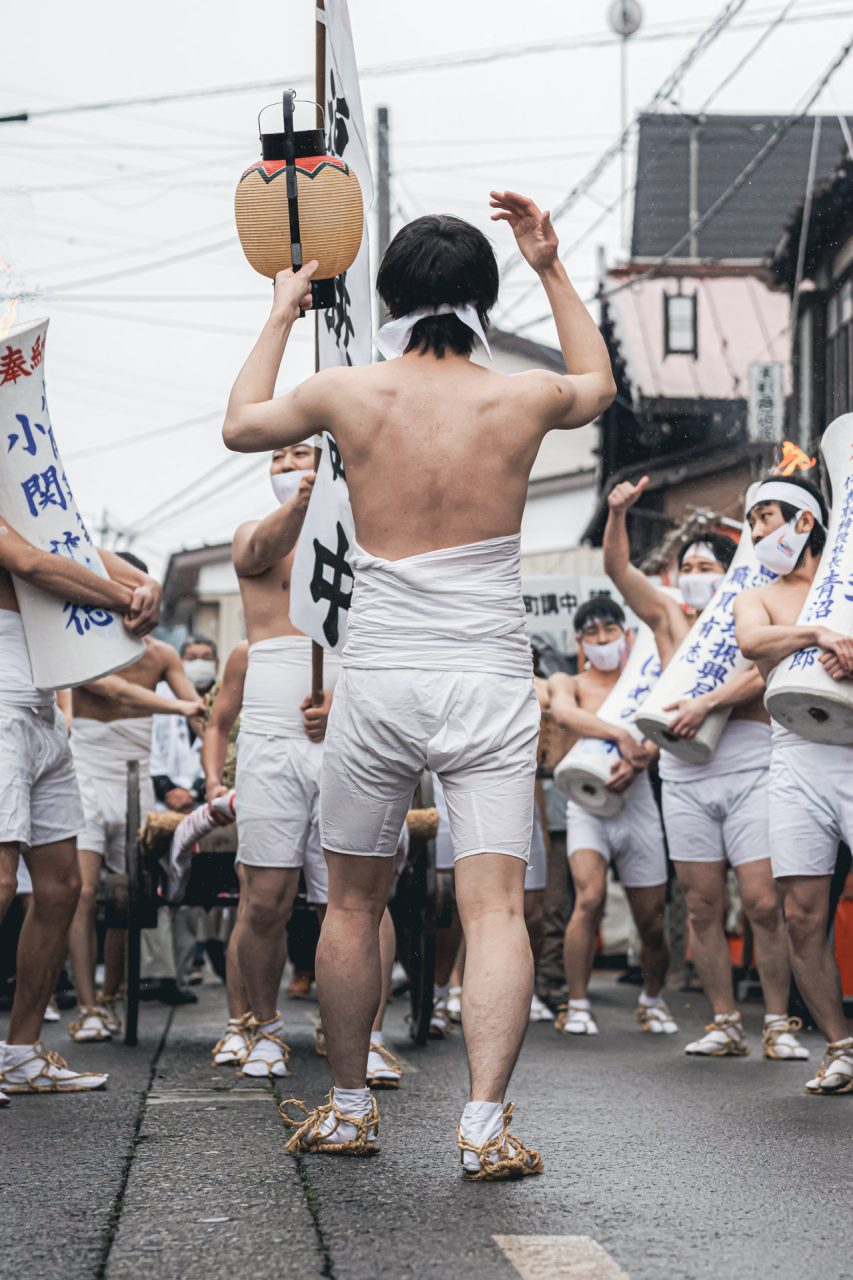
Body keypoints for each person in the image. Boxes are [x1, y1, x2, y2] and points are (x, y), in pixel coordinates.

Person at [223, 191, 615, 1176]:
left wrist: (283, 309)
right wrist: (549, 263)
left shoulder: (347, 393)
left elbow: (239, 425)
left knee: (353, 904)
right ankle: (481, 1125)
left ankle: (350, 1108)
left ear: (389, 297)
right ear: (482, 299)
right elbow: (599, 382)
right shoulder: (523, 397)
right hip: (487, 676)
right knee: (493, 907)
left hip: (379, 676)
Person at [604, 479, 808, 1063]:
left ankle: (777, 1022)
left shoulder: (756, 607)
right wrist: (617, 514)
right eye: (686, 567)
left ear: (730, 574)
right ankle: (724, 1020)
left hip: (748, 763)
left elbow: (765, 674)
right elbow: (618, 570)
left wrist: (709, 703)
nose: (693, 575)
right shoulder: (669, 619)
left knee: (763, 902)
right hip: (685, 775)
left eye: (705, 566)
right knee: (701, 905)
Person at [0, 519, 159, 1098]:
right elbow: (34, 563)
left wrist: (146, 584)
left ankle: (20, 1053)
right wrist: (124, 596)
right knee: (1, 880)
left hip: (43, 706)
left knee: (62, 888)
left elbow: (72, 546)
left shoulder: (27, 495)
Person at [207, 445, 342, 1080]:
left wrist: (342, 701)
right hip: (268, 731)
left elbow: (383, 635)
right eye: (280, 457)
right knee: (265, 898)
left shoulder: (361, 536)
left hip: (346, 723)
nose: (290, 463)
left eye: (304, 453)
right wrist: (302, 505)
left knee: (353, 899)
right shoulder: (251, 534)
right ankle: (262, 1027)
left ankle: (360, 1034)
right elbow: (259, 550)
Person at [734, 472, 853, 1094]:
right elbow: (751, 641)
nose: (757, 533)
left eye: (766, 518)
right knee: (802, 914)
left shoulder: (847, 582)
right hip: (795, 755)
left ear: (805, 521)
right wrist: (816, 634)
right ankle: (841, 1046)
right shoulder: (757, 598)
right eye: (752, 523)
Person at [66, 560, 204, 1043]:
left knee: (128, 892)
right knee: (83, 892)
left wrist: (217, 737)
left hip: (136, 779)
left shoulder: (163, 653)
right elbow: (113, 689)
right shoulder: (79, 640)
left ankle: (110, 997)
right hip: (86, 772)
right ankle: (87, 1005)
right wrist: (182, 706)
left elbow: (198, 712)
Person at [547, 596, 675, 1037]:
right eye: (592, 633)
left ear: (626, 635)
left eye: (610, 630)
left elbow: (663, 727)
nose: (602, 640)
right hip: (586, 805)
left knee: (651, 921)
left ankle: (652, 999)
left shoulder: (644, 681)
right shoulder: (569, 682)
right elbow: (564, 713)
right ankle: (578, 1003)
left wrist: (642, 756)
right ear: (579, 641)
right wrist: (619, 734)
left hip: (636, 803)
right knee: (589, 897)